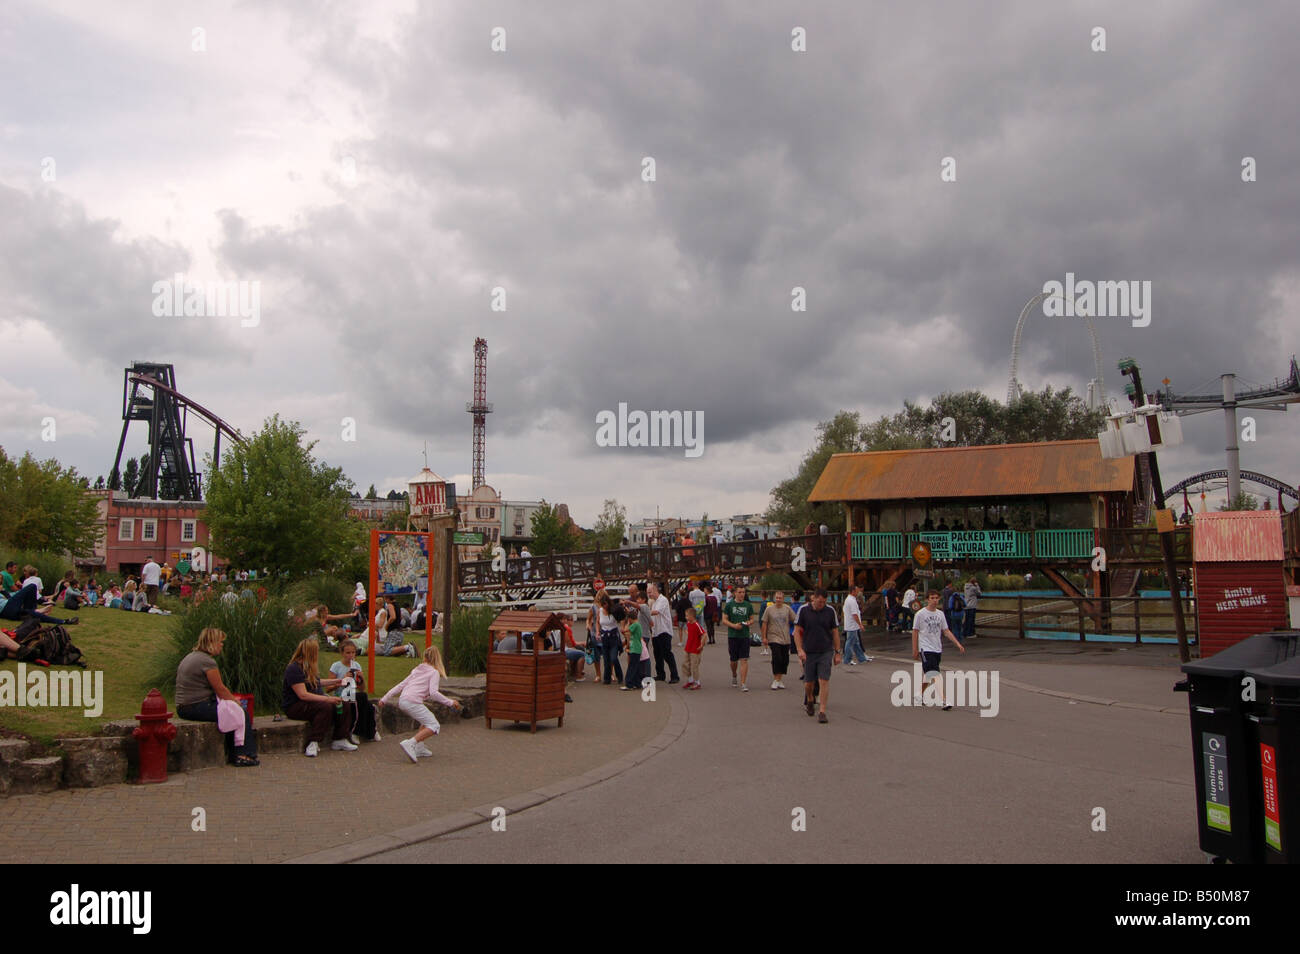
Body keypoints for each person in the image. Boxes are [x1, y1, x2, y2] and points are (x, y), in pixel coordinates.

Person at [174, 627, 259, 766]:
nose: (222, 645)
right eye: (220, 642)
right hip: (195, 706)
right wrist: (235, 702)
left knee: (231, 712)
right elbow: (220, 688)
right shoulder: (207, 662)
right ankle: (242, 754)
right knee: (239, 713)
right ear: (212, 643)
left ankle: (236, 753)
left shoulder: (191, 656)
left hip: (184, 706)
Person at [379, 644, 462, 763]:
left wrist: (384, 698)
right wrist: (450, 702)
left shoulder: (416, 670)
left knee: (426, 720)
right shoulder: (433, 672)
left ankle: (420, 746)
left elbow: (401, 685)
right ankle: (411, 743)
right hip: (412, 701)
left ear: (425, 657)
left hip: (403, 700)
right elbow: (433, 693)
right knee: (434, 725)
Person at [282, 638, 357, 756]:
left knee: (344, 703)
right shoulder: (294, 669)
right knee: (325, 707)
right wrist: (328, 698)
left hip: (311, 701)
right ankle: (314, 741)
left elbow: (317, 682)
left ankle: (340, 738)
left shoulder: (309, 666)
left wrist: (337, 681)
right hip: (295, 705)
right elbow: (303, 694)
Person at [912, 590, 966, 709]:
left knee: (929, 674)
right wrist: (915, 649)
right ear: (927, 599)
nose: (934, 600)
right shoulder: (920, 614)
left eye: (936, 598)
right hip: (925, 648)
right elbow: (915, 632)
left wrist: (957, 643)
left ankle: (919, 694)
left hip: (937, 648)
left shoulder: (940, 614)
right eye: (932, 598)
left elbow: (946, 631)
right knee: (936, 673)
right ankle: (944, 700)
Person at [794, 588, 840, 724]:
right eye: (820, 602)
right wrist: (799, 649)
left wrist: (837, 652)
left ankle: (822, 711)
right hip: (809, 651)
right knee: (809, 683)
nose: (822, 604)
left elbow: (835, 632)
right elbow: (797, 631)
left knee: (823, 680)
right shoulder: (803, 610)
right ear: (814, 598)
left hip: (826, 650)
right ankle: (809, 699)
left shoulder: (830, 611)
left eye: (824, 602)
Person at [329, 639, 380, 742]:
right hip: (341, 696)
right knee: (363, 699)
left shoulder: (356, 666)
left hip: (353, 694)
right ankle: (357, 732)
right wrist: (343, 679)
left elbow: (361, 689)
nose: (351, 655)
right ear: (342, 653)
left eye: (353, 652)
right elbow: (329, 688)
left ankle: (370, 732)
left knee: (369, 706)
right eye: (348, 653)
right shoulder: (336, 666)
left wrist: (361, 679)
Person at [0, 567, 76, 625]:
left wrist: (4, 591)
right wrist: (3, 591)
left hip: (10, 608)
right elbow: (9, 599)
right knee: (32, 586)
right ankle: (36, 610)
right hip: (7, 608)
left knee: (34, 615)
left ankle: (63, 621)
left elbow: (10, 597)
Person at [722, 583, 755, 692]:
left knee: (744, 659)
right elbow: (724, 620)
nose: (741, 594)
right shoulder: (729, 605)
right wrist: (734, 626)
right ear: (735, 593)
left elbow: (752, 618)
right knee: (733, 660)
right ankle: (734, 675)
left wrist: (748, 623)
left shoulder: (748, 605)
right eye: (739, 592)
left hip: (744, 635)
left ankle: (743, 683)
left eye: (743, 592)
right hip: (733, 636)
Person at [761, 590, 795, 690]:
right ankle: (775, 680)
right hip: (774, 637)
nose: (778, 600)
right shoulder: (769, 609)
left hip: (785, 638)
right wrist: (764, 637)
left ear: (783, 599)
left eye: (780, 598)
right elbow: (764, 623)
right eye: (777, 598)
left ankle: (780, 679)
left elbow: (795, 619)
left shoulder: (787, 609)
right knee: (777, 658)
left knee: (785, 660)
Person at [646, 582, 680, 684]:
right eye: (648, 593)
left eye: (650, 592)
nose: (649, 595)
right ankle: (660, 674)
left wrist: (643, 610)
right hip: (656, 631)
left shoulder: (663, 600)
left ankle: (675, 675)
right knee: (657, 654)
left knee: (667, 653)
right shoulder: (654, 602)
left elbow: (656, 612)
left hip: (664, 631)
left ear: (656, 590)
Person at [620, 604, 650, 692]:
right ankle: (637, 683)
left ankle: (629, 683)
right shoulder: (638, 625)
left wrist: (626, 623)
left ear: (630, 619)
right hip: (637, 648)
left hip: (635, 648)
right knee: (636, 667)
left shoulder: (635, 625)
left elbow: (625, 631)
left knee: (631, 667)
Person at [596, 590, 623, 686]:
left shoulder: (613, 610)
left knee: (614, 658)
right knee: (606, 659)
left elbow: (621, 619)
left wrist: (623, 628)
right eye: (602, 605)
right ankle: (607, 678)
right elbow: (598, 622)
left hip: (613, 636)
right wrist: (598, 631)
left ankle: (620, 676)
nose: (604, 607)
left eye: (605, 604)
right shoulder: (600, 611)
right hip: (604, 636)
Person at [842, 584, 870, 665]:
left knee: (855, 642)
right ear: (853, 591)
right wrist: (860, 624)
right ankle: (847, 659)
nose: (858, 592)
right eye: (857, 590)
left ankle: (861, 658)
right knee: (850, 642)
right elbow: (855, 614)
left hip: (851, 624)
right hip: (852, 625)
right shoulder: (851, 601)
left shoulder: (849, 599)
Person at [681, 606, 706, 689]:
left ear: (692, 616)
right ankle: (690, 680)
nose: (686, 617)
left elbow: (704, 634)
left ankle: (697, 682)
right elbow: (688, 631)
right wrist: (687, 632)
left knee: (694, 666)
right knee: (685, 664)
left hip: (695, 649)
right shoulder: (689, 624)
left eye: (687, 616)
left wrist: (701, 644)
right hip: (688, 647)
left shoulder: (696, 625)